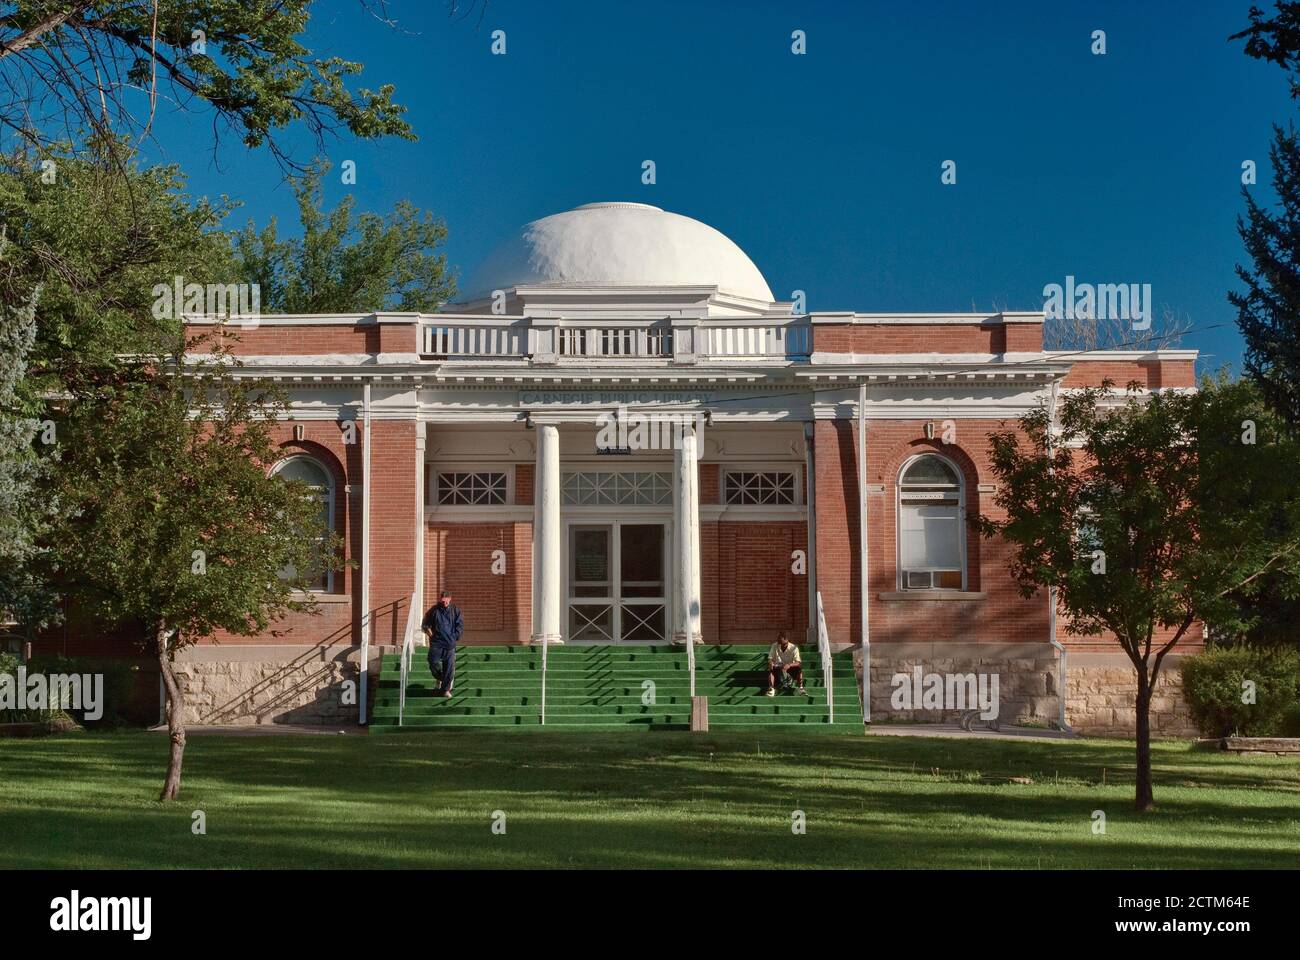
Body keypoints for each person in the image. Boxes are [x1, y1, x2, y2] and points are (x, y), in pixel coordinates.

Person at [421, 590, 463, 698]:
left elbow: (459, 626)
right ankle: (440, 678)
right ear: (441, 599)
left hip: (450, 644)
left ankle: (445, 690)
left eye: (446, 601)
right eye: (443, 601)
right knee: (432, 661)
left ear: (450, 599)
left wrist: (454, 637)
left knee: (449, 668)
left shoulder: (455, 610)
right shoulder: (434, 610)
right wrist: (429, 632)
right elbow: (425, 624)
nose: (445, 603)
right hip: (437, 643)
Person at [765, 630, 805, 696]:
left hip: (790, 669)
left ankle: (800, 688)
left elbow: (798, 662)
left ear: (786, 639)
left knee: (799, 668)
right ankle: (771, 689)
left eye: (779, 638)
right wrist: (771, 663)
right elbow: (770, 658)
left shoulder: (794, 648)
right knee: (770, 668)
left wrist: (789, 665)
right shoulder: (774, 645)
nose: (777, 639)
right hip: (778, 668)